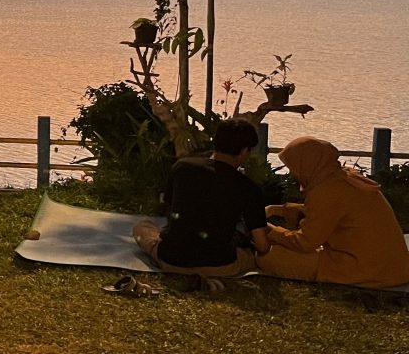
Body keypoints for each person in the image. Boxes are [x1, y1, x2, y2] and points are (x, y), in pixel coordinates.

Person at [256, 136, 409, 289]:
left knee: (268, 257)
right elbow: (321, 213)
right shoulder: (345, 178)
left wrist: (268, 231)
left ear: (307, 165)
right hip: (394, 267)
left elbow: (304, 243)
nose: (293, 173)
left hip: (364, 269)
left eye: (293, 167)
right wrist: (277, 210)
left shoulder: (326, 191)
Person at [131, 119, 269, 279]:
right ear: (245, 150)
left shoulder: (182, 166)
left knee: (142, 227)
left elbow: (169, 207)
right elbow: (262, 246)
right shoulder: (248, 187)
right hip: (220, 266)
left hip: (172, 260)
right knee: (252, 254)